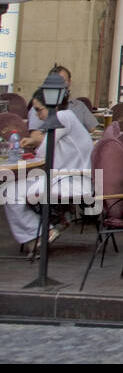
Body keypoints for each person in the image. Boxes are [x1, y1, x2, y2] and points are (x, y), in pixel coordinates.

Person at [5, 86, 94, 252]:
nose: (38, 116)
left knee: (9, 191)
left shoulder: (62, 117)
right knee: (13, 189)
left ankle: (41, 231)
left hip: (71, 180)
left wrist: (34, 142)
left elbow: (44, 151)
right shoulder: (68, 117)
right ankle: (40, 231)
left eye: (39, 110)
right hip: (69, 176)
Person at [26, 64, 99, 134]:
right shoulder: (40, 107)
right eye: (55, 82)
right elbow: (35, 134)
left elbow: (93, 130)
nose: (59, 85)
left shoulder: (79, 105)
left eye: (63, 81)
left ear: (69, 82)